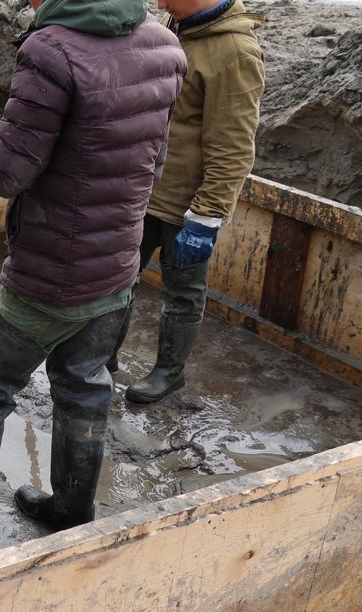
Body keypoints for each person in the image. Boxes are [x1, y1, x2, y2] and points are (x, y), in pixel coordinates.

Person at [0, 0, 187, 558]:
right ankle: (70, 510)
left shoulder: (50, 50)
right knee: (84, 389)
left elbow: (10, 171)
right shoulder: (162, 44)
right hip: (116, 267)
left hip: (50, 275)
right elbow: (152, 162)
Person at [113, 0, 265, 404]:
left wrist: (207, 217)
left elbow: (233, 147)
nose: (159, 3)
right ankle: (102, 356)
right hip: (144, 189)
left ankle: (168, 372)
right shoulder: (173, 25)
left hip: (186, 204)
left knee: (182, 292)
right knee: (117, 281)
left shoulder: (235, 53)